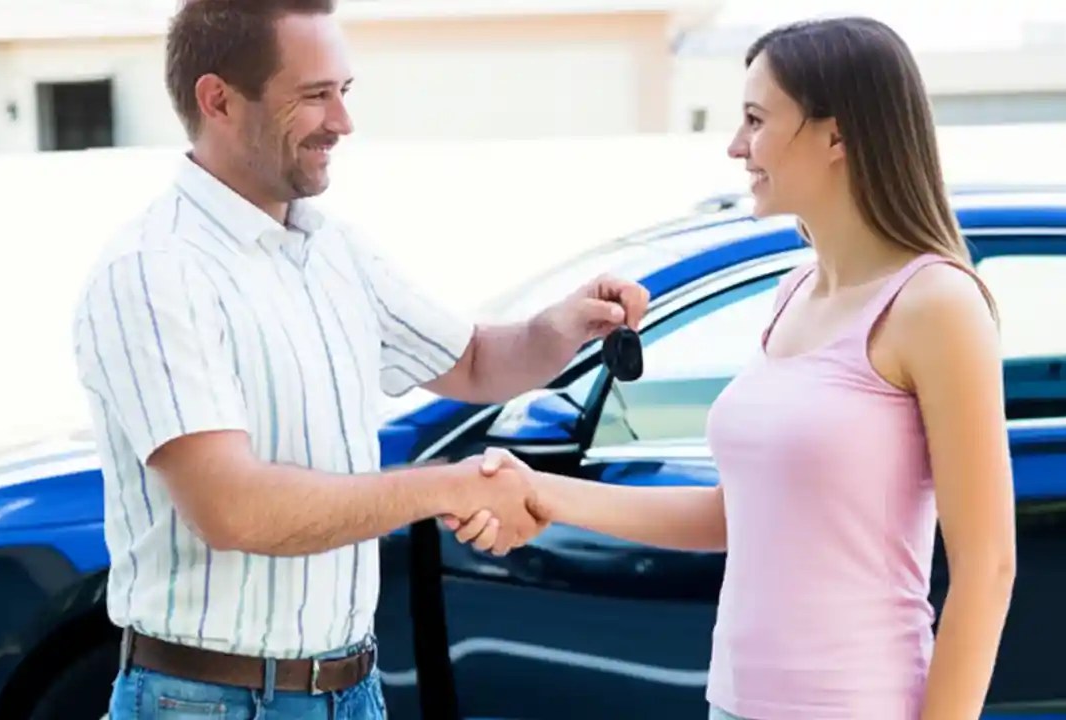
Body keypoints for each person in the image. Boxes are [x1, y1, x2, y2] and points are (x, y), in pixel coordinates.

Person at [69, 1, 649, 718]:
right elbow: (232, 508)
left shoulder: (330, 248)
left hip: (352, 692)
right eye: (314, 96)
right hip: (209, 703)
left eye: (344, 92)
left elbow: (470, 361)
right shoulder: (154, 271)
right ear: (218, 99)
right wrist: (445, 487)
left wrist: (560, 326)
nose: (342, 123)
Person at [458, 16, 1016, 720]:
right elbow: (736, 513)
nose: (735, 146)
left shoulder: (936, 304)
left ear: (836, 134)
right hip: (736, 703)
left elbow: (988, 568)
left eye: (755, 119)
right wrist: (543, 491)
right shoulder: (793, 293)